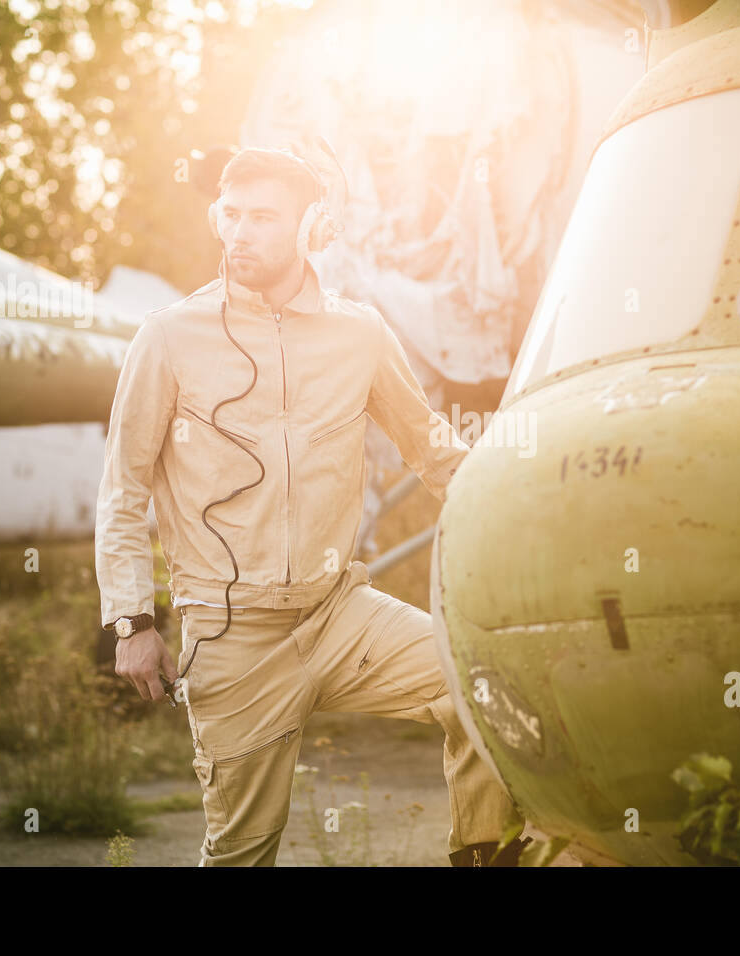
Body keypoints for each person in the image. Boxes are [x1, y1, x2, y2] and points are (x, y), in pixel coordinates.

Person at [94, 145, 527, 866]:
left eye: (263, 217)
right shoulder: (167, 338)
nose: (240, 233)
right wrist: (132, 619)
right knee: (242, 851)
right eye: (230, 215)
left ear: (312, 228)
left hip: (340, 613)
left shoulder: (359, 334)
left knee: (481, 686)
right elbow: (122, 490)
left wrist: (526, 516)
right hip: (232, 636)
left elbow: (434, 452)